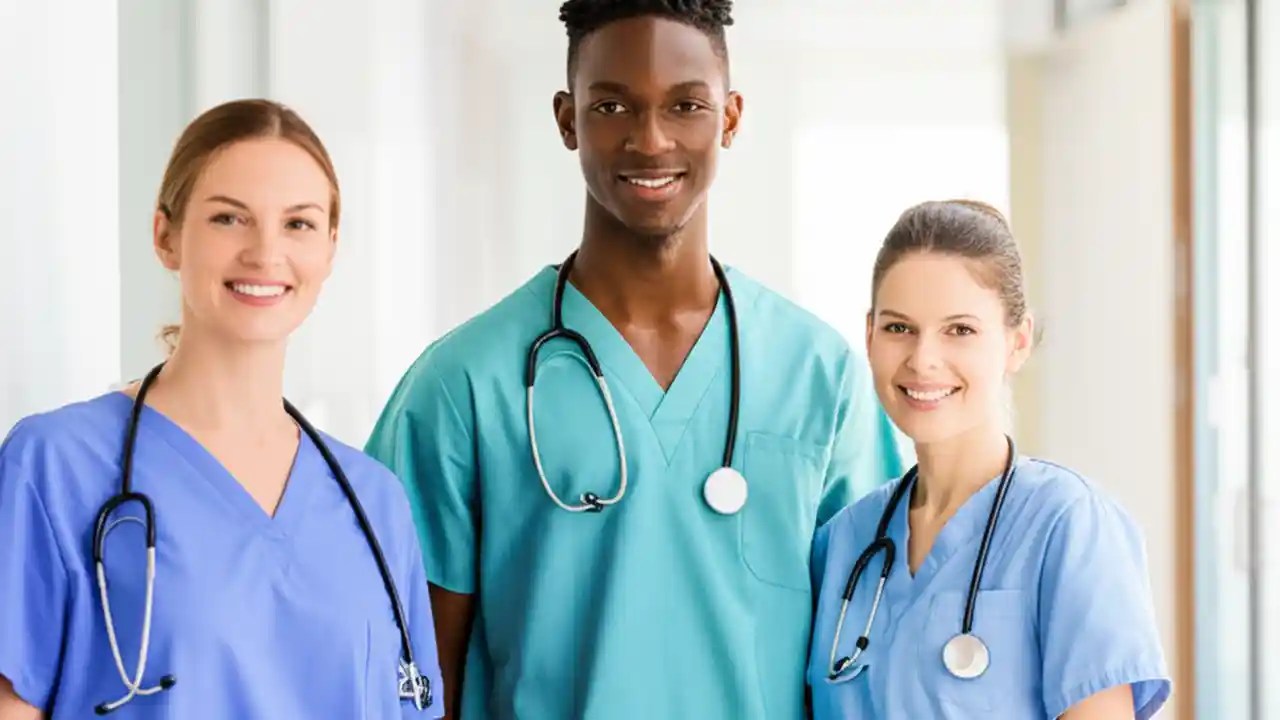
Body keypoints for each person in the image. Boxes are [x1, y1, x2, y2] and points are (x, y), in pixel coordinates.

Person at [363, 2, 902, 718]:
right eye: (613, 105)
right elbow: (412, 679)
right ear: (566, 119)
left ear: (731, 118)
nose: (650, 141)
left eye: (686, 106)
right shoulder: (464, 385)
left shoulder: (817, 374)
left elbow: (875, 647)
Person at [0, 99, 443, 719]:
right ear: (166, 236)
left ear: (331, 248)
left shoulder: (374, 503)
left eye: (298, 224)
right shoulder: (56, 465)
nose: (265, 253)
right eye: (230, 219)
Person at [806, 200, 1172, 719]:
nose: (923, 359)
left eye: (959, 330)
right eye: (899, 328)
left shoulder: (1068, 526)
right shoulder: (844, 542)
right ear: (869, 337)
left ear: (1016, 342)